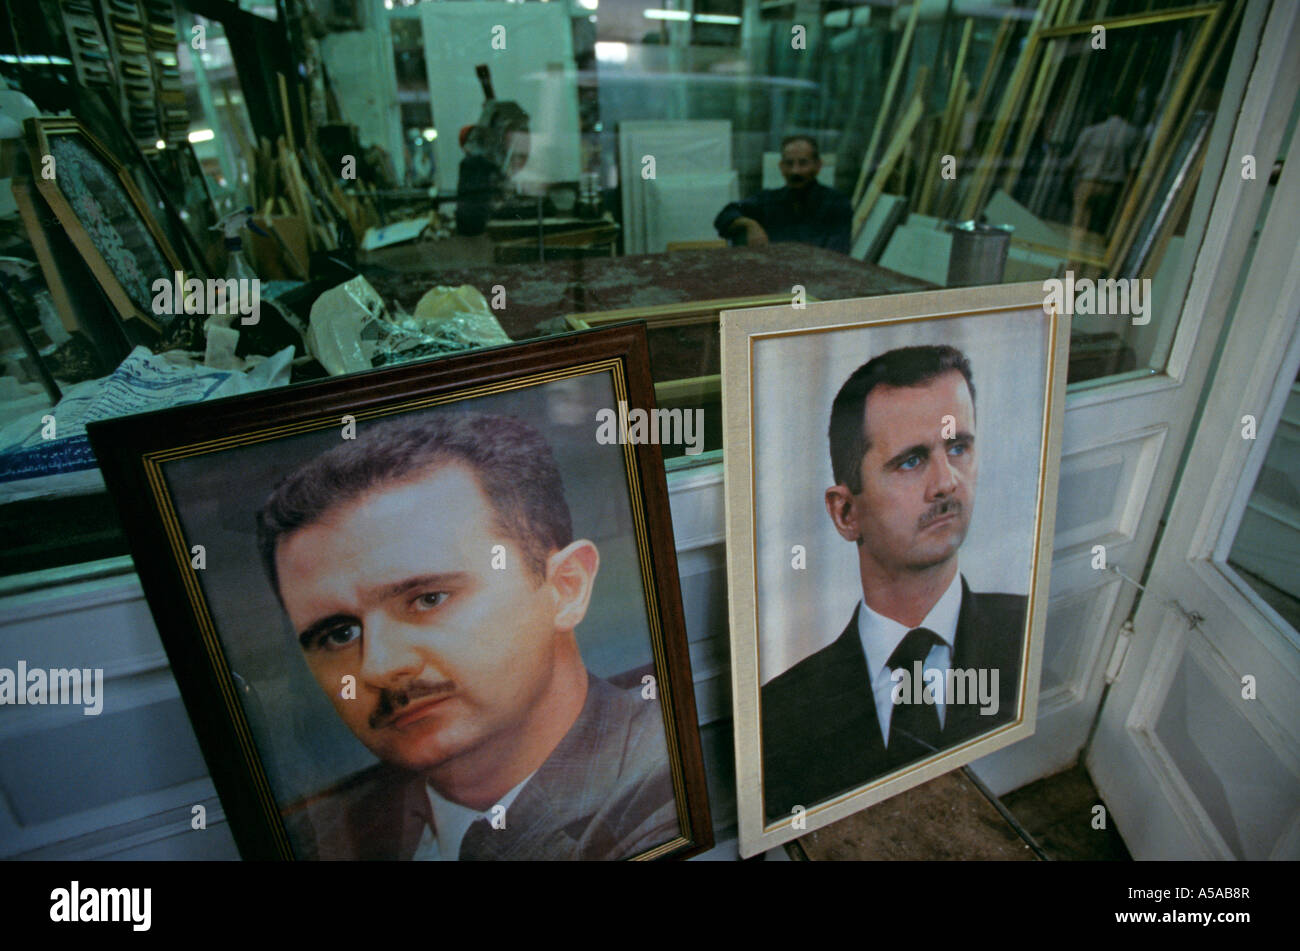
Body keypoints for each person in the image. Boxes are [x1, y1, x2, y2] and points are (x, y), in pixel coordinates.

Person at [257, 412, 678, 859]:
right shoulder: (324, 829)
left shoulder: (667, 787)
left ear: (565, 588)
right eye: (338, 634)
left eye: (429, 599)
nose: (378, 666)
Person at [760, 345, 1025, 822]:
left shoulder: (1026, 634)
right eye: (911, 461)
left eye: (958, 447)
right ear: (846, 512)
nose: (946, 483)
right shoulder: (780, 715)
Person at [714, 135, 852, 254]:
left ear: (818, 165)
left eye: (803, 163)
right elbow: (724, 216)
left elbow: (837, 254)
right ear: (781, 166)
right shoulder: (768, 200)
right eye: (789, 163)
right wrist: (749, 224)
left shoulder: (836, 203)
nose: (795, 171)